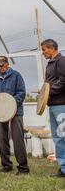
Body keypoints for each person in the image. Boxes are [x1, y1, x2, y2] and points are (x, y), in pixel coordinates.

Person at [0, 55, 29, 174]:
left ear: (7, 64)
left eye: (1, 65)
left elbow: (21, 93)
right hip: (1, 114)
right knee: (3, 139)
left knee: (18, 139)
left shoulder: (16, 75)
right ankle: (6, 165)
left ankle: (23, 168)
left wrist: (10, 105)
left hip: (16, 112)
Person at [41, 39, 65, 178]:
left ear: (51, 48)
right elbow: (48, 84)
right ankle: (63, 169)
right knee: (58, 138)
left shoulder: (61, 61)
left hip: (62, 104)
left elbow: (64, 79)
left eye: (44, 50)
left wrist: (49, 92)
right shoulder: (50, 64)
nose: (43, 53)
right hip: (53, 105)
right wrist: (43, 93)